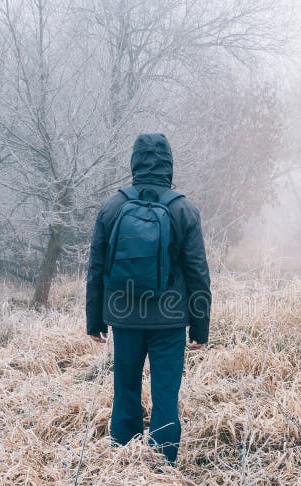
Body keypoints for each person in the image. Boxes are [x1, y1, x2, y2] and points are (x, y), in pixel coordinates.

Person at [85, 133, 211, 466]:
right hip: (169, 321)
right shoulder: (183, 209)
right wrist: (200, 328)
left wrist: (94, 321)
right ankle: (160, 469)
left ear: (134, 163)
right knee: (165, 396)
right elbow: (198, 272)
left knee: (124, 390)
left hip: (123, 317)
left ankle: (122, 466)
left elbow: (96, 267)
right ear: (169, 164)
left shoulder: (112, 207)